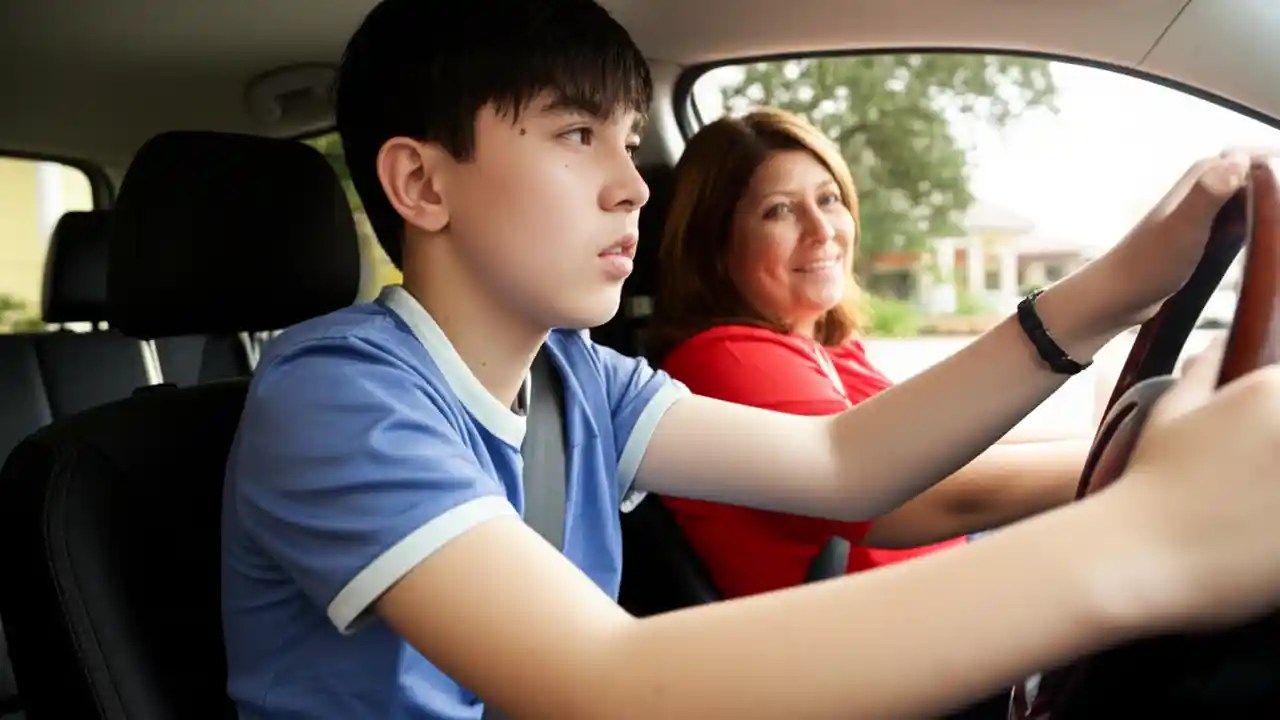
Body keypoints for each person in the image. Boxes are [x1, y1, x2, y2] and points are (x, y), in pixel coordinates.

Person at [220, 0, 1280, 717]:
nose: (633, 183)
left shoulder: (579, 377)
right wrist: (1145, 540)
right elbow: (598, 682)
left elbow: (842, 465)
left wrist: (1114, 287)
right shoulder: (336, 397)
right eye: (574, 135)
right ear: (422, 184)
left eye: (627, 136)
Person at [647, 108, 1091, 599]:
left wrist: (1106, 434)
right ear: (716, 247)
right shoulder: (724, 360)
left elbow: (957, 442)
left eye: (828, 199)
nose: (823, 230)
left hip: (941, 581)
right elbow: (918, 497)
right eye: (779, 210)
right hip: (882, 637)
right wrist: (1119, 459)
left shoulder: (827, 349)